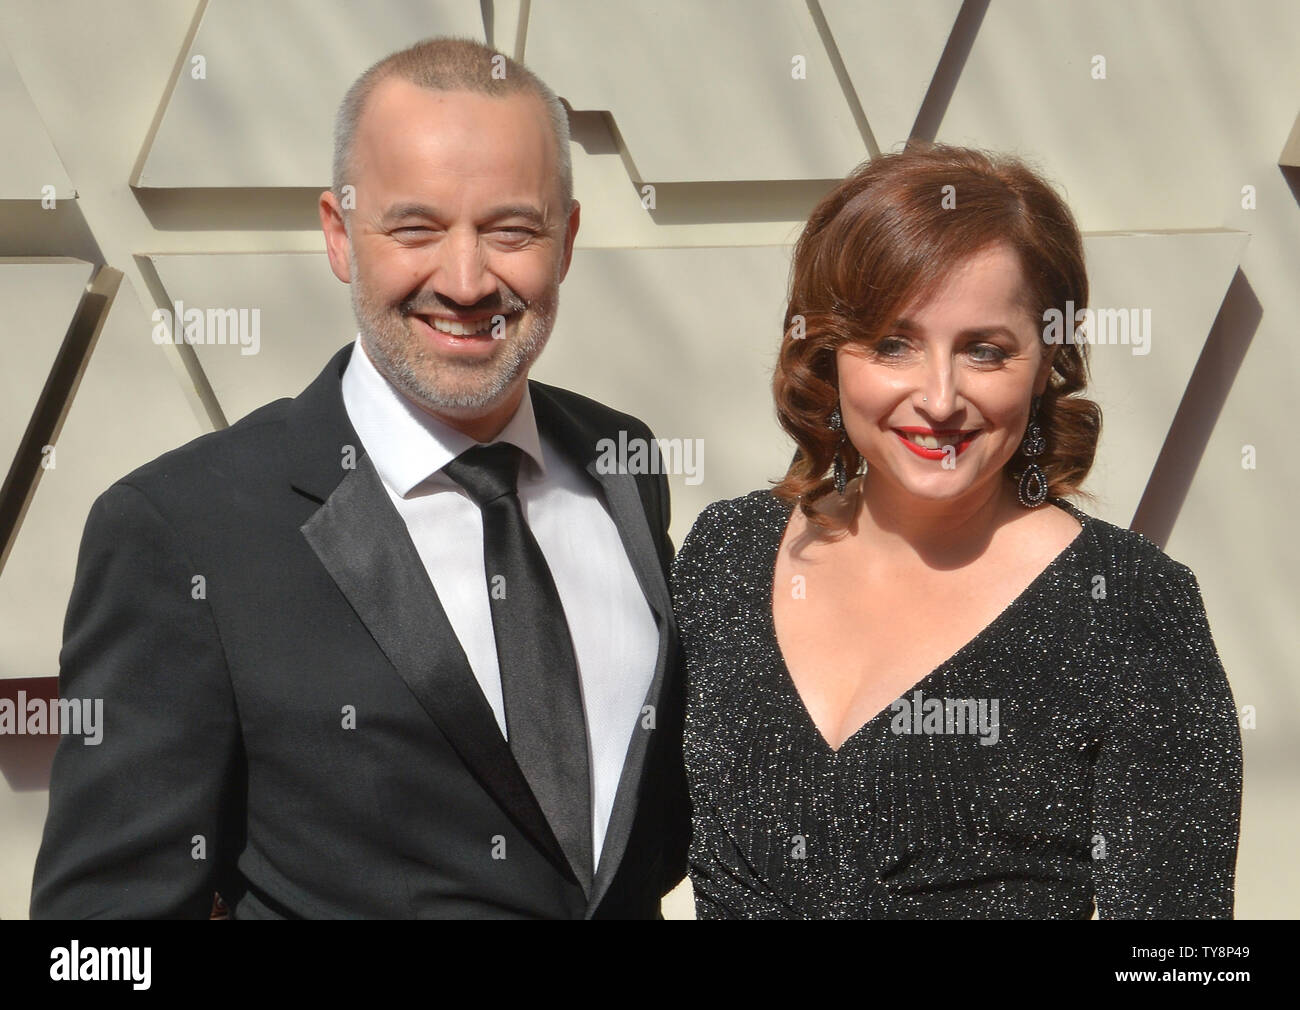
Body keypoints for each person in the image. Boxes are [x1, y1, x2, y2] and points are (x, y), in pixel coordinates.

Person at [31, 37, 687, 919]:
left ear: (565, 241)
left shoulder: (623, 462)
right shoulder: (181, 529)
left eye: (511, 230)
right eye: (415, 228)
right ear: (340, 235)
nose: (464, 280)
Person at [671, 144, 1243, 919]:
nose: (939, 398)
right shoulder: (726, 555)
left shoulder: (1130, 608)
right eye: (893, 343)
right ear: (830, 351)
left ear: (1047, 362)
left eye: (984, 350)